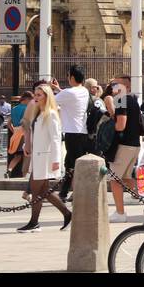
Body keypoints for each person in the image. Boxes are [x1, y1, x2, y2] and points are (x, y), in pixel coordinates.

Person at [17, 84, 72, 232]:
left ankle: (34, 222)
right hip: (39, 156)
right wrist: (27, 146)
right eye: (35, 94)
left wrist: (56, 160)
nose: (36, 97)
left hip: (46, 158)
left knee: (37, 190)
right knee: (44, 192)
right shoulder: (38, 113)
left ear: (47, 97)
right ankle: (67, 214)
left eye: (39, 95)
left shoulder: (51, 114)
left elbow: (55, 139)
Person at [108, 76, 144, 222]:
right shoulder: (133, 99)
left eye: (115, 84)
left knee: (115, 179)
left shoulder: (121, 99)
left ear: (124, 86)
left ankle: (120, 213)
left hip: (123, 145)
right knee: (126, 177)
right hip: (134, 144)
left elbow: (120, 125)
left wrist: (110, 121)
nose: (112, 87)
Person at [54, 65, 93, 200]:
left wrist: (48, 88)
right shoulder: (84, 91)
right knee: (70, 163)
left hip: (72, 132)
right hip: (82, 131)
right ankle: (64, 192)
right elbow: (68, 96)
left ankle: (78, 192)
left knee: (74, 164)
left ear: (71, 77)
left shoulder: (68, 93)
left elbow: (50, 101)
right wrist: (58, 89)